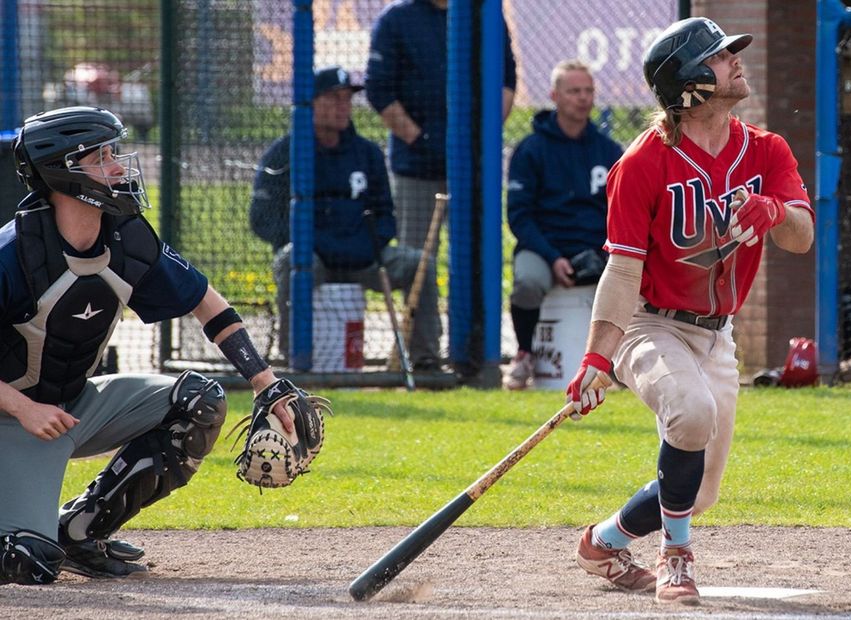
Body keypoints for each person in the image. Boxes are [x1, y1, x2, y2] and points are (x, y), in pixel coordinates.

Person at [565, 18, 815, 605]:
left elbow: (802, 236)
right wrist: (598, 357)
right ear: (691, 84)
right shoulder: (642, 163)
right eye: (721, 57)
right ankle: (677, 556)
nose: (735, 62)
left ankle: (601, 543)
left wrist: (774, 211)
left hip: (715, 334)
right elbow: (623, 270)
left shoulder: (766, 150)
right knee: (690, 410)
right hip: (647, 324)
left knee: (697, 491)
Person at [0, 106, 299, 584]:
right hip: (11, 420)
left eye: (114, 153)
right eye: (101, 156)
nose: (118, 167)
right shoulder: (14, 254)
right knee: (29, 564)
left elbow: (207, 302)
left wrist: (266, 383)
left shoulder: (127, 239)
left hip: (73, 406)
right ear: (62, 172)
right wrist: (23, 409)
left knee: (199, 401)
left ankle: (80, 529)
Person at [250, 65, 441, 370]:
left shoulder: (366, 153)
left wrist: (363, 248)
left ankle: (425, 359)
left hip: (363, 259)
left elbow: (385, 219)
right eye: (333, 99)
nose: (343, 106)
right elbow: (261, 219)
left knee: (420, 264)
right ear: (310, 103)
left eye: (347, 99)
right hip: (313, 258)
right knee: (292, 261)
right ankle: (295, 359)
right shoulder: (284, 153)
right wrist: (313, 242)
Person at [503, 60, 623, 390]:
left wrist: (604, 253)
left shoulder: (608, 150)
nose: (583, 98)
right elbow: (519, 216)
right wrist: (552, 256)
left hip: (595, 248)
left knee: (634, 279)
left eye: (588, 91)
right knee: (527, 281)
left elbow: (622, 213)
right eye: (574, 91)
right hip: (543, 247)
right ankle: (525, 354)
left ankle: (622, 361)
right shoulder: (531, 150)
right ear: (555, 95)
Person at [364, 0, 517, 255]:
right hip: (417, 165)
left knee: (477, 255)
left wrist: (482, 136)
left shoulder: (483, 14)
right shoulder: (396, 18)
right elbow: (378, 90)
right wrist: (420, 140)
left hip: (472, 166)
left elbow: (507, 80)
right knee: (417, 259)